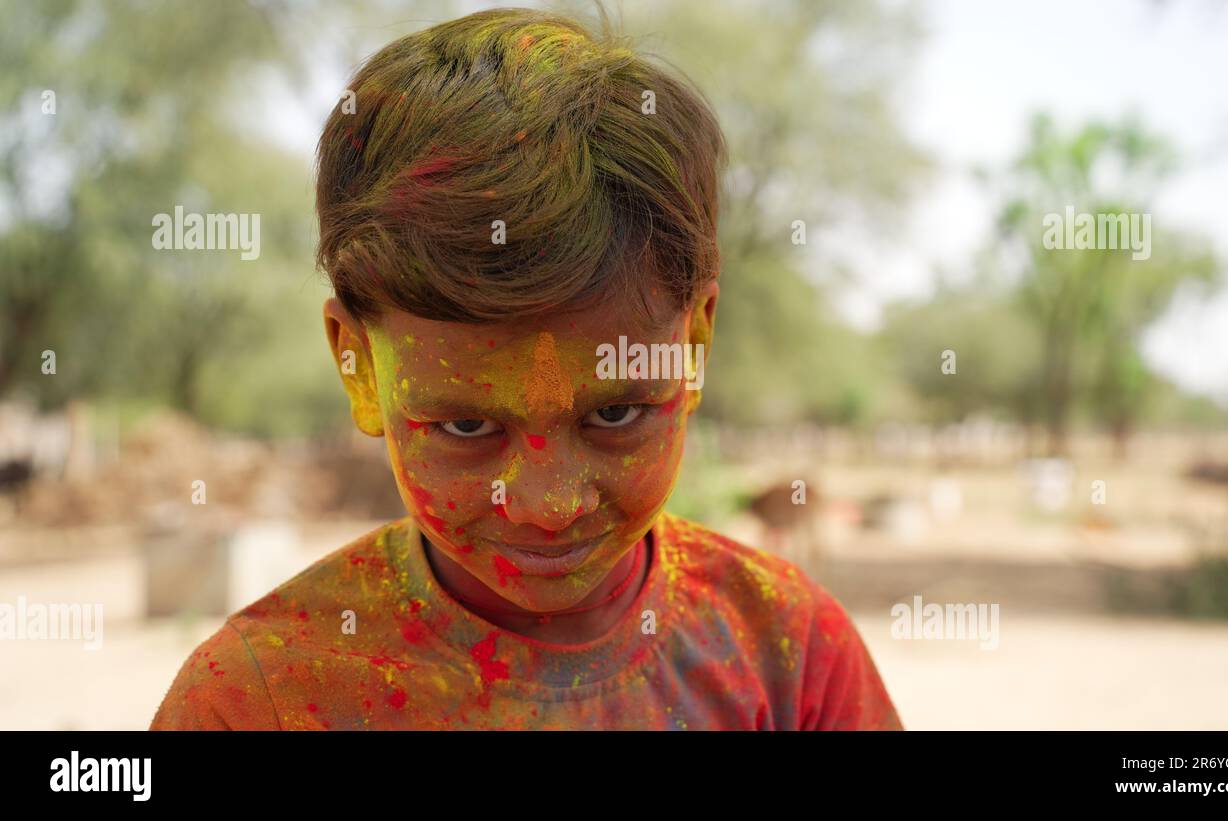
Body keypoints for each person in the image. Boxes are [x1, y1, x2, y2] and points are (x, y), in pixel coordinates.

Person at [150, 6, 901, 730]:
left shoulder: (794, 657)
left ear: (695, 343)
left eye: (614, 414)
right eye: (467, 424)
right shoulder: (257, 701)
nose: (548, 503)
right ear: (358, 367)